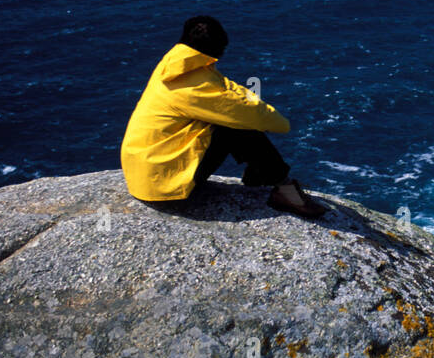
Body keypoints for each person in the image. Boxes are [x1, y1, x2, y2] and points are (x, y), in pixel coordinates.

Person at [120, 15, 327, 217]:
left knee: (233, 119)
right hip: (162, 185)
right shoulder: (195, 84)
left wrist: (243, 103)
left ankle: (262, 176)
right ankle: (285, 189)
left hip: (143, 172)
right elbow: (273, 122)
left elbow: (223, 86)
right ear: (216, 50)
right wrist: (262, 113)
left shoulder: (173, 65)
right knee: (235, 128)